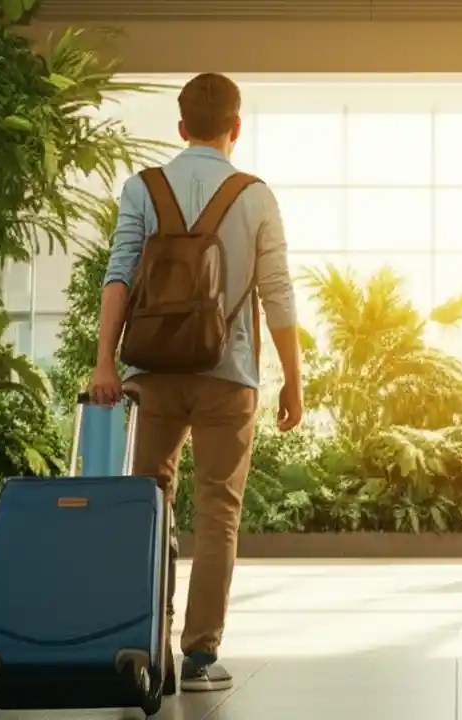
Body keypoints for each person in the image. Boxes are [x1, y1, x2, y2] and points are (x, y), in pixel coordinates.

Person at [89, 72, 302, 692]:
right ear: (235, 128)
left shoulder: (143, 188)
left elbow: (119, 275)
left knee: (146, 511)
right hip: (228, 376)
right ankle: (201, 658)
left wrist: (106, 361)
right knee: (218, 516)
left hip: (151, 373)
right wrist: (293, 379)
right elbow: (278, 294)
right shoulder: (255, 196)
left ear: (180, 129)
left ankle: (142, 649)